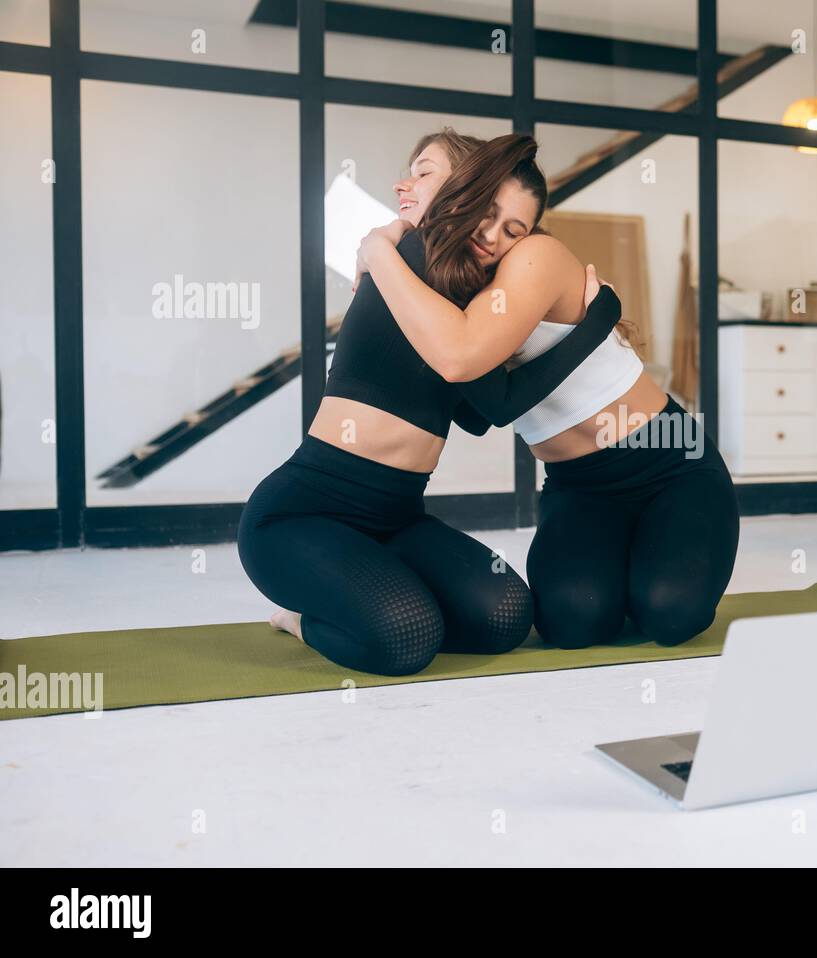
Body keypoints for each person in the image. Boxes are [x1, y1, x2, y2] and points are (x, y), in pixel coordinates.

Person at [237, 130, 623, 675]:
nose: (404, 184)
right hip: (301, 516)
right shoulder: (410, 258)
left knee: (506, 618)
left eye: (423, 171)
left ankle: (377, 588)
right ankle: (299, 619)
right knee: (405, 641)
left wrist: (584, 323)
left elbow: (485, 411)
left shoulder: (468, 301)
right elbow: (477, 382)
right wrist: (597, 319)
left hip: (397, 518)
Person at [360, 142, 740, 651]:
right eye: (488, 216)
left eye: (513, 229)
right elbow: (483, 414)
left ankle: (656, 566)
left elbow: (487, 390)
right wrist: (596, 322)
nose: (493, 237)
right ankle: (630, 565)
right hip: (578, 487)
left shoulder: (539, 258)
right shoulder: (456, 290)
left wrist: (377, 254)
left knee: (670, 615)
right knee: (571, 624)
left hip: (668, 468)